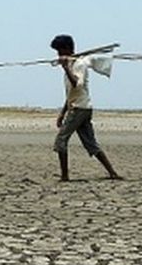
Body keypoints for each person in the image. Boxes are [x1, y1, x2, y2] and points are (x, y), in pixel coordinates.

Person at [50, 34, 121, 182]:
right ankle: (112, 173)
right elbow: (71, 93)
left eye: (60, 51)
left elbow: (77, 84)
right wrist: (62, 113)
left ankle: (64, 176)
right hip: (79, 107)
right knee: (91, 144)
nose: (58, 54)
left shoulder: (79, 64)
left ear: (68, 49)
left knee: (61, 141)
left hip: (80, 109)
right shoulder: (71, 64)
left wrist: (65, 68)